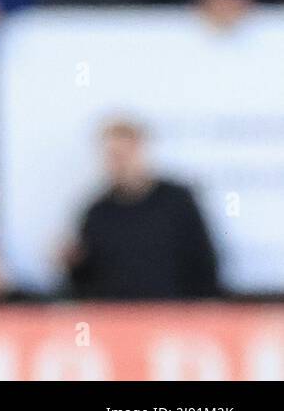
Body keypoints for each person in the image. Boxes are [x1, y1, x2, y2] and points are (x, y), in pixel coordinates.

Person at [65, 119, 219, 299]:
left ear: (140, 150)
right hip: (116, 318)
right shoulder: (97, 211)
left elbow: (203, 262)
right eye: (112, 156)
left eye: (123, 154)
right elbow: (86, 280)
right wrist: (74, 264)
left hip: (172, 314)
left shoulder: (177, 201)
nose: (119, 163)